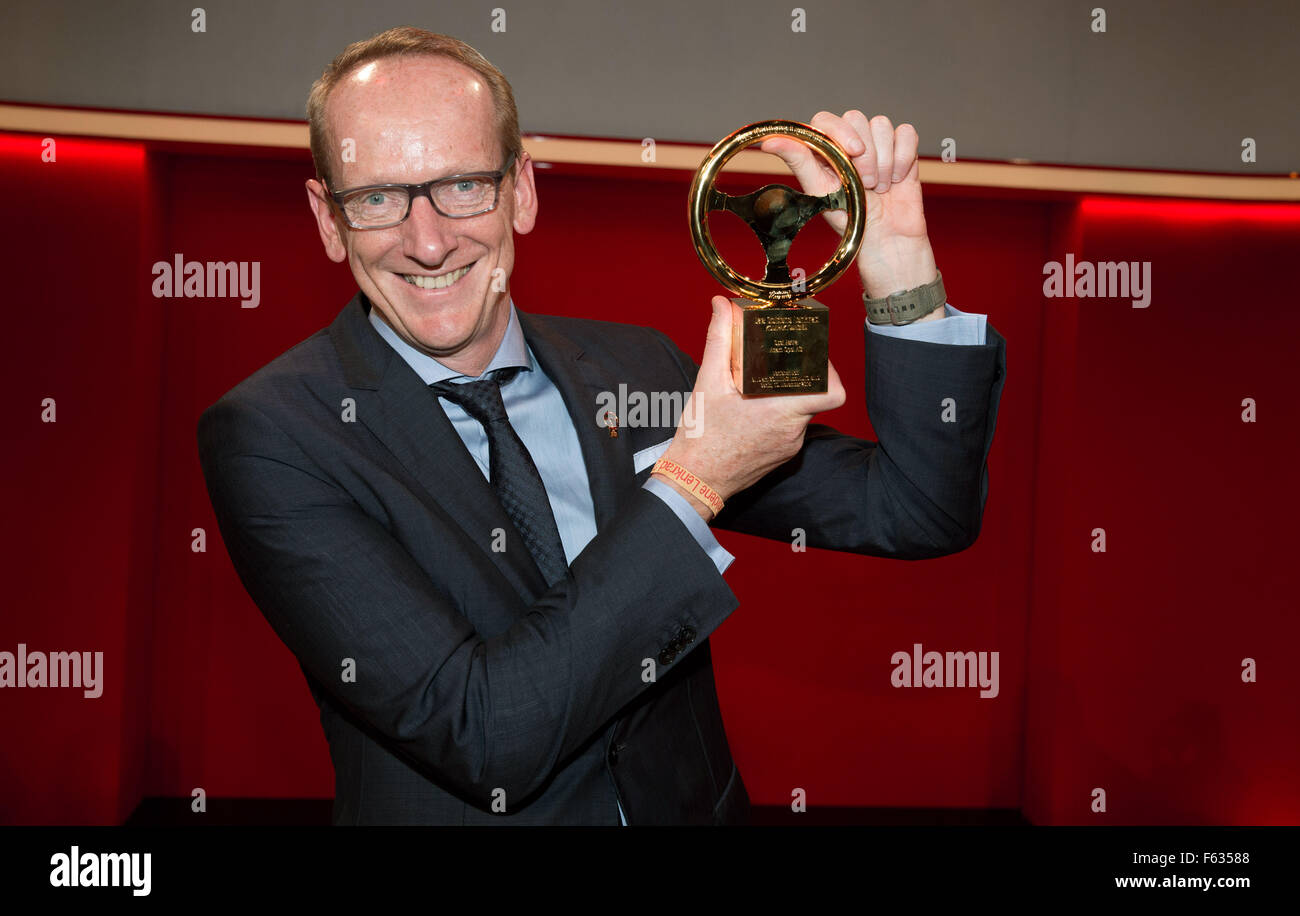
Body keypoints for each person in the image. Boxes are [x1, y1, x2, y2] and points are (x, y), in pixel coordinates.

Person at [197, 26, 1006, 825]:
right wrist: (695, 483)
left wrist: (899, 257)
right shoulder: (275, 435)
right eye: (376, 198)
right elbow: (482, 733)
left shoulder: (637, 369)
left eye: (464, 185)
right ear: (328, 219)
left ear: (522, 190)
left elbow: (918, 509)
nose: (429, 239)